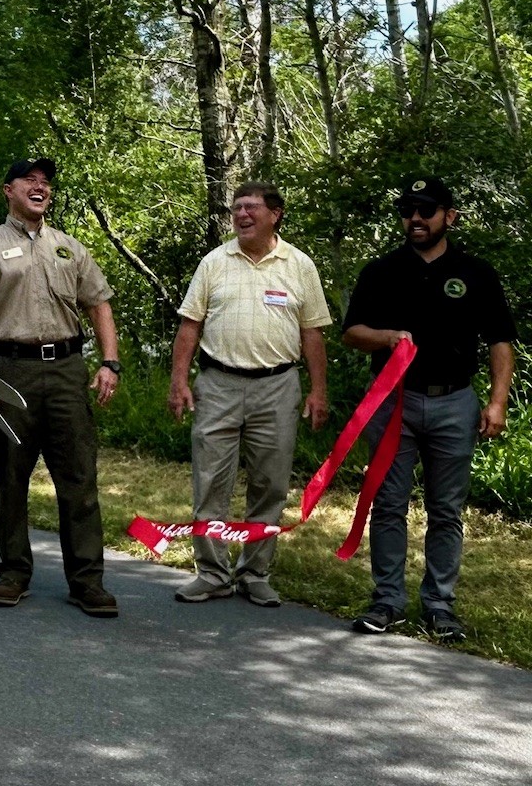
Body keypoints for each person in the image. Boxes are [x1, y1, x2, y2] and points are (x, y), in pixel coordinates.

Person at [343, 175, 515, 643]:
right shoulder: (381, 270)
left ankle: (440, 606)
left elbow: (500, 341)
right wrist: (387, 337)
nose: (415, 218)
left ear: (449, 217)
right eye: (408, 210)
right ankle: (387, 601)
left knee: (446, 509)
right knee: (389, 505)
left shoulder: (476, 272)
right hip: (393, 402)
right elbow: (352, 331)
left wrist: (497, 402)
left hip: (455, 402)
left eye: (426, 210)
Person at [0, 157, 121, 617]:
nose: (39, 187)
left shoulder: (70, 248)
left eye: (45, 182)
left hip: (69, 369)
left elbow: (100, 305)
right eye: (28, 180)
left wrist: (110, 362)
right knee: (11, 475)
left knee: (79, 478)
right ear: (7, 190)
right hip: (12, 370)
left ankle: (87, 581)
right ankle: (13, 573)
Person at [167, 181, 330, 607]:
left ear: (275, 214)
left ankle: (255, 573)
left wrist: (318, 391)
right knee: (210, 481)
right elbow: (190, 326)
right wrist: (179, 382)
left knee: (270, 483)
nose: (241, 214)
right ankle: (212, 573)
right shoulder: (215, 262)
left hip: (278, 387)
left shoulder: (298, 265)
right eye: (237, 207)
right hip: (217, 385)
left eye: (251, 207)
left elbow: (312, 333)